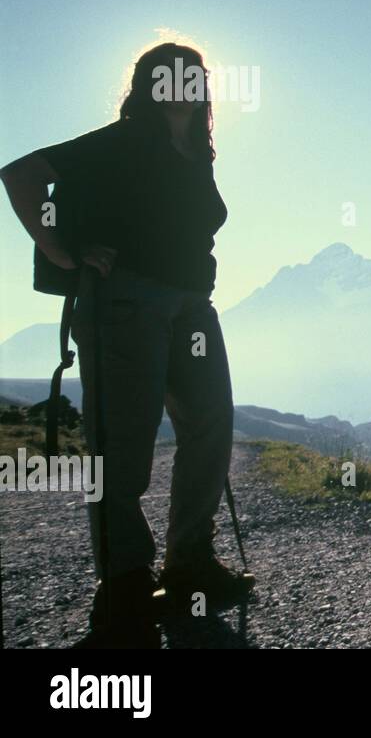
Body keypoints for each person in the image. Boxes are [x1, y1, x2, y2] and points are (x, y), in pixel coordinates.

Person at [1, 42, 253, 648]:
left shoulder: (197, 155)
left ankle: (189, 564)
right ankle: (125, 588)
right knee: (123, 448)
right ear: (148, 85)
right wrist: (66, 251)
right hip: (127, 305)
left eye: (194, 73)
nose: (186, 83)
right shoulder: (121, 141)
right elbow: (24, 174)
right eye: (171, 74)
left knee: (210, 425)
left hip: (193, 304)